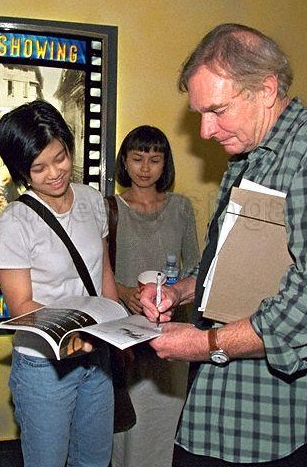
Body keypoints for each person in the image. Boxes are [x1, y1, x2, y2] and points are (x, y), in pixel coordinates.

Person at [140, 23, 307, 466]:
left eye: (217, 110)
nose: (205, 131)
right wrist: (184, 290)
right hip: (220, 408)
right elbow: (242, 268)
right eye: (200, 113)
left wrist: (205, 345)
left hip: (273, 424)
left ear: (266, 89)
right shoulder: (250, 157)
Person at [0, 100, 119, 467]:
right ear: (21, 170)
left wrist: (119, 332)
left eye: (60, 157)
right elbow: (21, 306)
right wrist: (75, 332)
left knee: (94, 461)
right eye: (38, 167)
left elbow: (103, 275)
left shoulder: (94, 202)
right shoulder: (15, 222)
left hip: (97, 359)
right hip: (44, 367)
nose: (54, 174)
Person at [109, 126, 200, 467]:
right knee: (121, 421)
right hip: (122, 333)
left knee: (161, 422)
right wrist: (124, 292)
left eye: (155, 159)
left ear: (166, 165)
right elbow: (97, 269)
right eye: (137, 159)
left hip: (171, 330)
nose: (145, 168)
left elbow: (196, 265)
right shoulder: (109, 208)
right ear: (125, 162)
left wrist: (176, 295)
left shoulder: (181, 207)